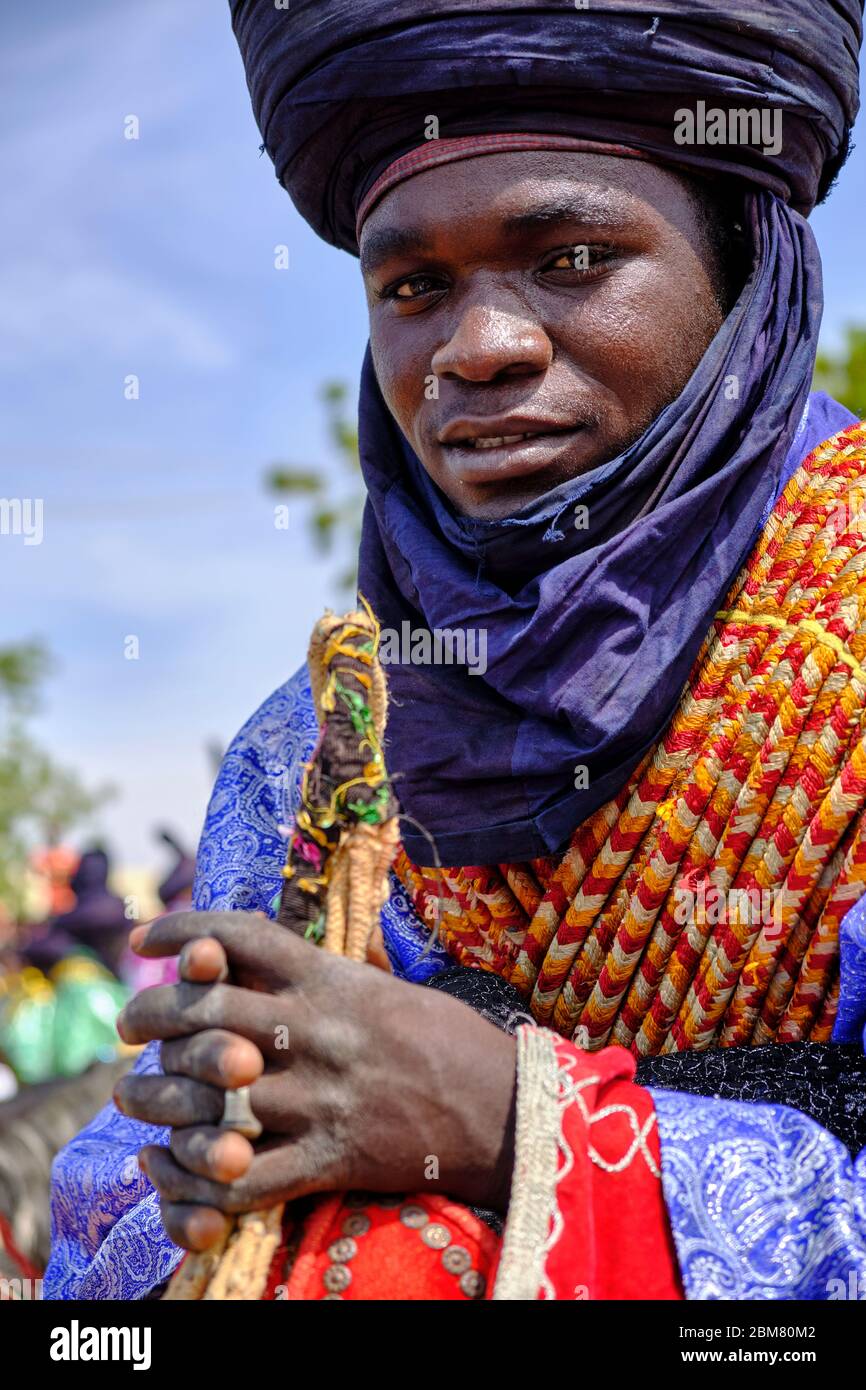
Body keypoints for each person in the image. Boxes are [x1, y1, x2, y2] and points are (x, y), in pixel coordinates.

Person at [45, 0, 866, 1301]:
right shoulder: (317, 742)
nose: (477, 351)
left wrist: (510, 1114)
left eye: (575, 258)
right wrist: (211, 1157)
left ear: (743, 266)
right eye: (413, 287)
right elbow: (126, 1181)